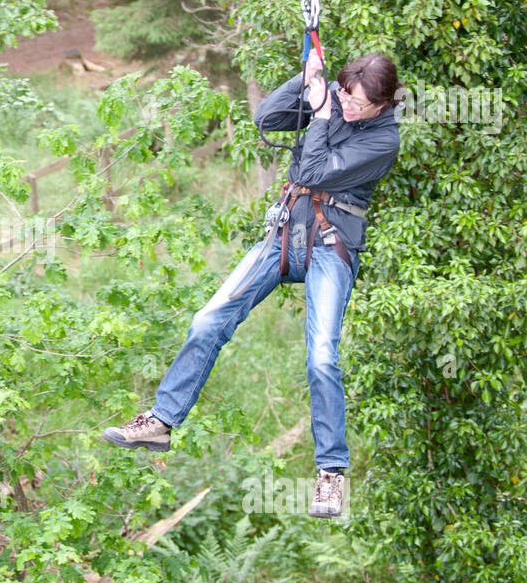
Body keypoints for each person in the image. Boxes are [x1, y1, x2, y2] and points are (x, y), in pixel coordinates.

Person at [101, 51, 402, 517]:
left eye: (358, 104)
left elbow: (310, 172)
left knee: (322, 355)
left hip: (331, 244)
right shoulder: (334, 100)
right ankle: (161, 421)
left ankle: (331, 474)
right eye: (345, 95)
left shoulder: (384, 140)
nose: (348, 107)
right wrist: (305, 81)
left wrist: (321, 115)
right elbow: (268, 117)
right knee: (207, 320)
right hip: (286, 234)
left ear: (381, 104)